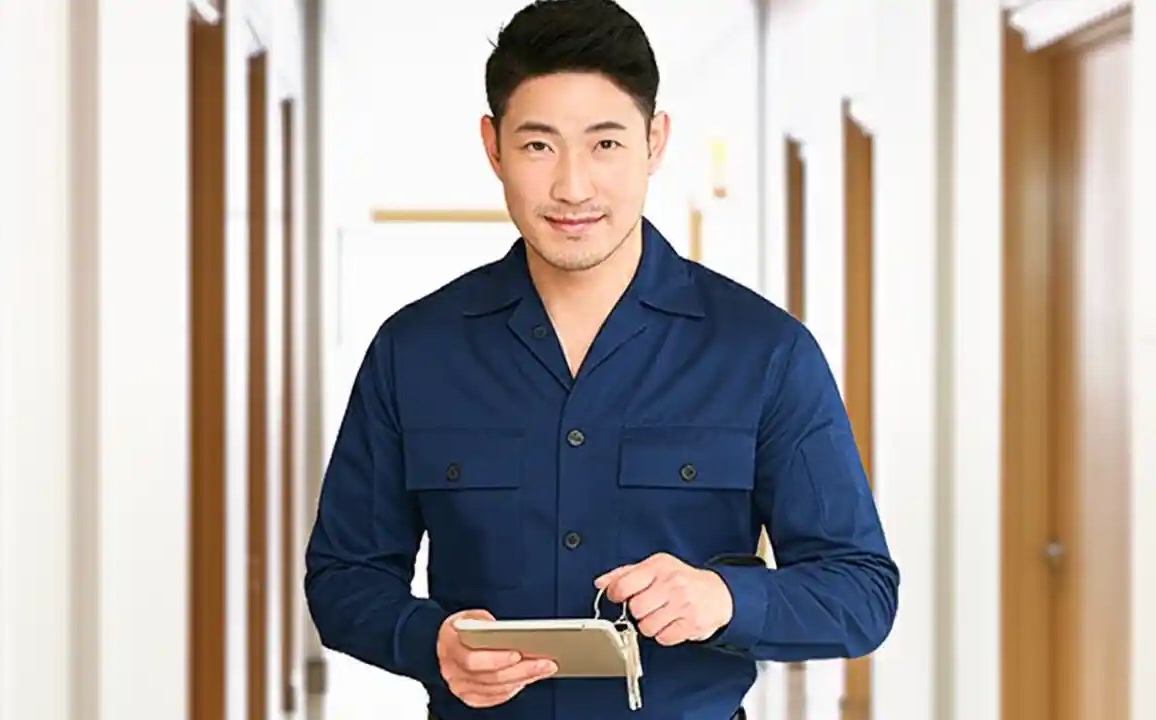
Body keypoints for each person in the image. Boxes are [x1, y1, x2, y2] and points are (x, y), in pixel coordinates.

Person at [304, 0, 900, 717]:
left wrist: (724, 598)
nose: (573, 187)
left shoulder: (765, 351)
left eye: (606, 144)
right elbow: (343, 578)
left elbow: (861, 593)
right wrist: (429, 639)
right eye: (538, 146)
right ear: (493, 148)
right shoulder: (414, 350)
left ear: (655, 141)